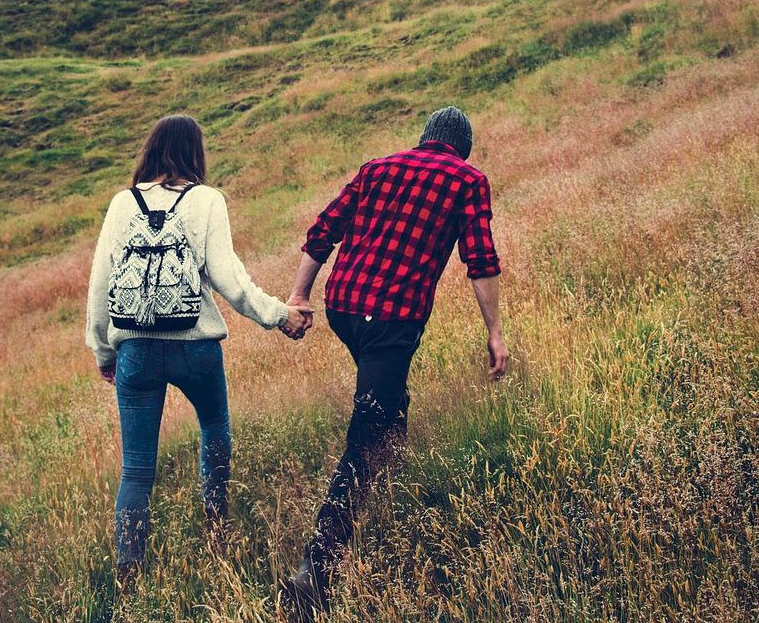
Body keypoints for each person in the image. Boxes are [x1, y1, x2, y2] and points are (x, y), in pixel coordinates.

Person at [278, 106, 509, 617]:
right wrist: (495, 333)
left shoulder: (377, 167)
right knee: (364, 437)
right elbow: (481, 259)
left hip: (343, 308)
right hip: (391, 320)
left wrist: (299, 294)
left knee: (385, 402)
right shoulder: (468, 179)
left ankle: (396, 474)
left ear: (424, 138)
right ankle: (314, 574)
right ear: (461, 147)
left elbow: (323, 231)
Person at [85, 114, 312, 585]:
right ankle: (216, 530)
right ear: (195, 152)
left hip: (136, 353)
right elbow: (228, 278)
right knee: (215, 430)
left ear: (150, 150)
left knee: (137, 470)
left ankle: (129, 573)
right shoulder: (207, 200)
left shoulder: (121, 203)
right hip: (196, 347)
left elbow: (100, 287)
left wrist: (105, 354)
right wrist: (278, 316)